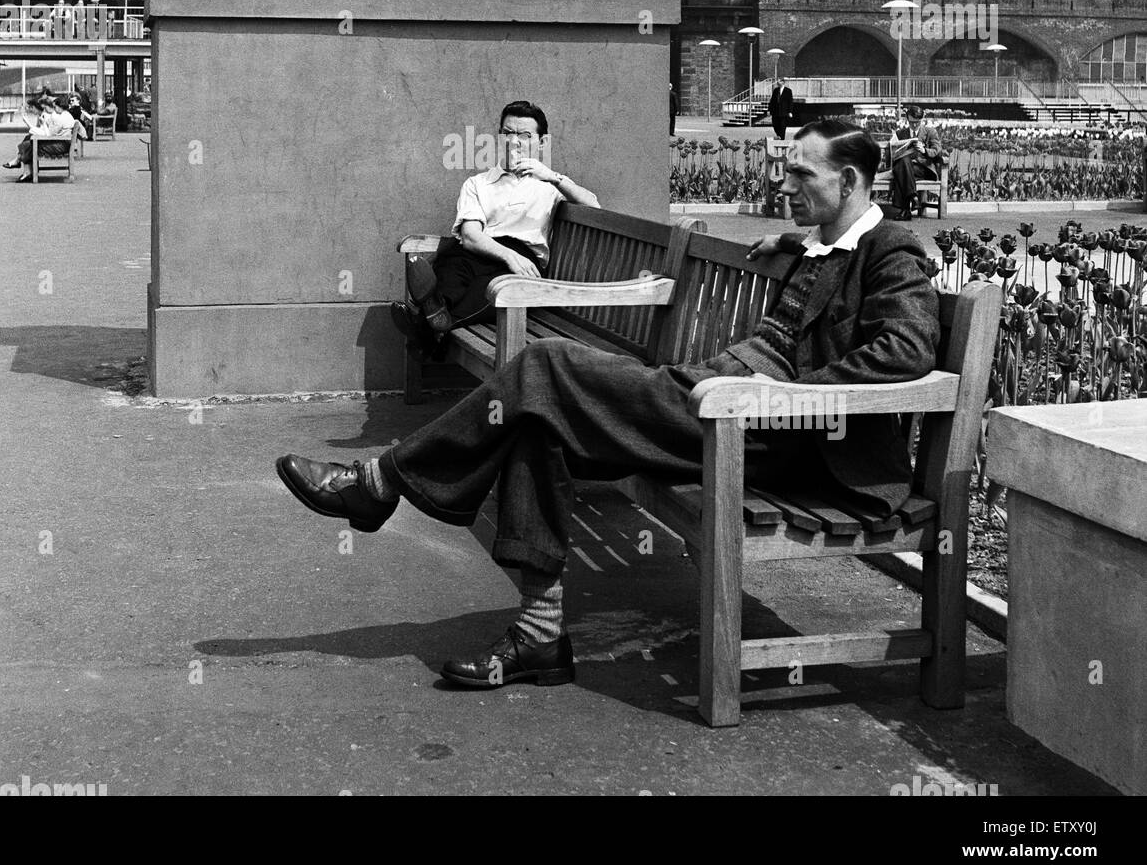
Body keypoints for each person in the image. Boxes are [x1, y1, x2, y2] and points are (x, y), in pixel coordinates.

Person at [277, 119, 940, 688]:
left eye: (801, 175)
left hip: (770, 432)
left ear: (849, 181)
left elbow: (903, 353)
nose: (785, 186)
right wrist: (791, 243)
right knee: (536, 421)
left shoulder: (894, 251)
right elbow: (823, 288)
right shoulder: (825, 244)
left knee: (543, 364)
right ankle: (538, 635)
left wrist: (771, 394)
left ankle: (381, 481)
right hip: (716, 401)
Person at [389, 101, 600, 357]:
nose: (514, 141)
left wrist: (552, 177)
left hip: (525, 261)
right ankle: (435, 317)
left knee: (493, 290)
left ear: (541, 143)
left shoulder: (550, 185)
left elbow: (594, 206)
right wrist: (509, 256)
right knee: (452, 265)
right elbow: (470, 236)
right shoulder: (478, 183)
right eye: (507, 133)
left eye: (524, 135)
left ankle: (427, 323)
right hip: (483, 249)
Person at [2, 95, 76, 181]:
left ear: (60, 107)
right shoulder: (66, 115)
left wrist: (44, 123)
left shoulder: (59, 118)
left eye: (55, 107)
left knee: (29, 144)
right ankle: (24, 169)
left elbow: (49, 135)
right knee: (29, 141)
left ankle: (24, 168)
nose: (54, 110)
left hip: (60, 146)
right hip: (64, 143)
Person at [888, 105, 943, 219]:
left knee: (901, 169)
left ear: (922, 120)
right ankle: (913, 197)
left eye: (917, 122)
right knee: (902, 164)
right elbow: (891, 155)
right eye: (911, 122)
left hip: (924, 169)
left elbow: (937, 151)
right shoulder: (900, 134)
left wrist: (924, 150)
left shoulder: (930, 132)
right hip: (908, 171)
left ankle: (905, 209)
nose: (914, 125)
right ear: (907, 119)